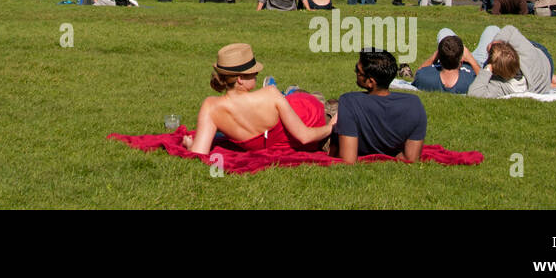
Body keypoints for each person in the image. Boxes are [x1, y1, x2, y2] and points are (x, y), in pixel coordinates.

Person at [180, 43, 335, 155]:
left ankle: (295, 93)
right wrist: (331, 127)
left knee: (303, 96)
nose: (256, 74)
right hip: (316, 119)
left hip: (300, 113)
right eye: (253, 73)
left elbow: (199, 152)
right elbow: (305, 136)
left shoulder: (210, 106)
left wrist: (190, 145)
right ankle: (296, 93)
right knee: (334, 104)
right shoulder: (270, 94)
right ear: (240, 79)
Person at [334, 49, 426, 163]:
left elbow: (348, 159)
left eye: (358, 70)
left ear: (371, 82)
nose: (355, 71)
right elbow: (411, 158)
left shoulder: (349, 102)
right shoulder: (414, 104)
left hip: (333, 130)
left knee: (327, 106)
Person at [467, 25, 556, 98]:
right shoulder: (526, 52)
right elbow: (510, 29)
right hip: (543, 61)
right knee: (498, 32)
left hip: (544, 70)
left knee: (491, 28)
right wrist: (495, 43)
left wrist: (487, 68)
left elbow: (474, 93)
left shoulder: (503, 87)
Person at [412, 32, 479, 94]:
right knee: (489, 29)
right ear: (461, 61)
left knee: (443, 31)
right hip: (477, 62)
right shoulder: (471, 81)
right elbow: (484, 81)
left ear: (439, 59)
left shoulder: (424, 78)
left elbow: (417, 75)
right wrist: (471, 59)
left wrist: (434, 57)